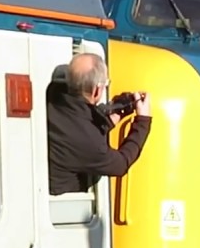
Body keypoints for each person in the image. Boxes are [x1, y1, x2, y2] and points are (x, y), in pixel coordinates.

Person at [47, 52, 153, 196]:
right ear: (96, 89)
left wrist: (112, 116)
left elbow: (78, 123)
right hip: (66, 208)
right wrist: (143, 121)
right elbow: (120, 164)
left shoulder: (53, 96)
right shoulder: (90, 143)